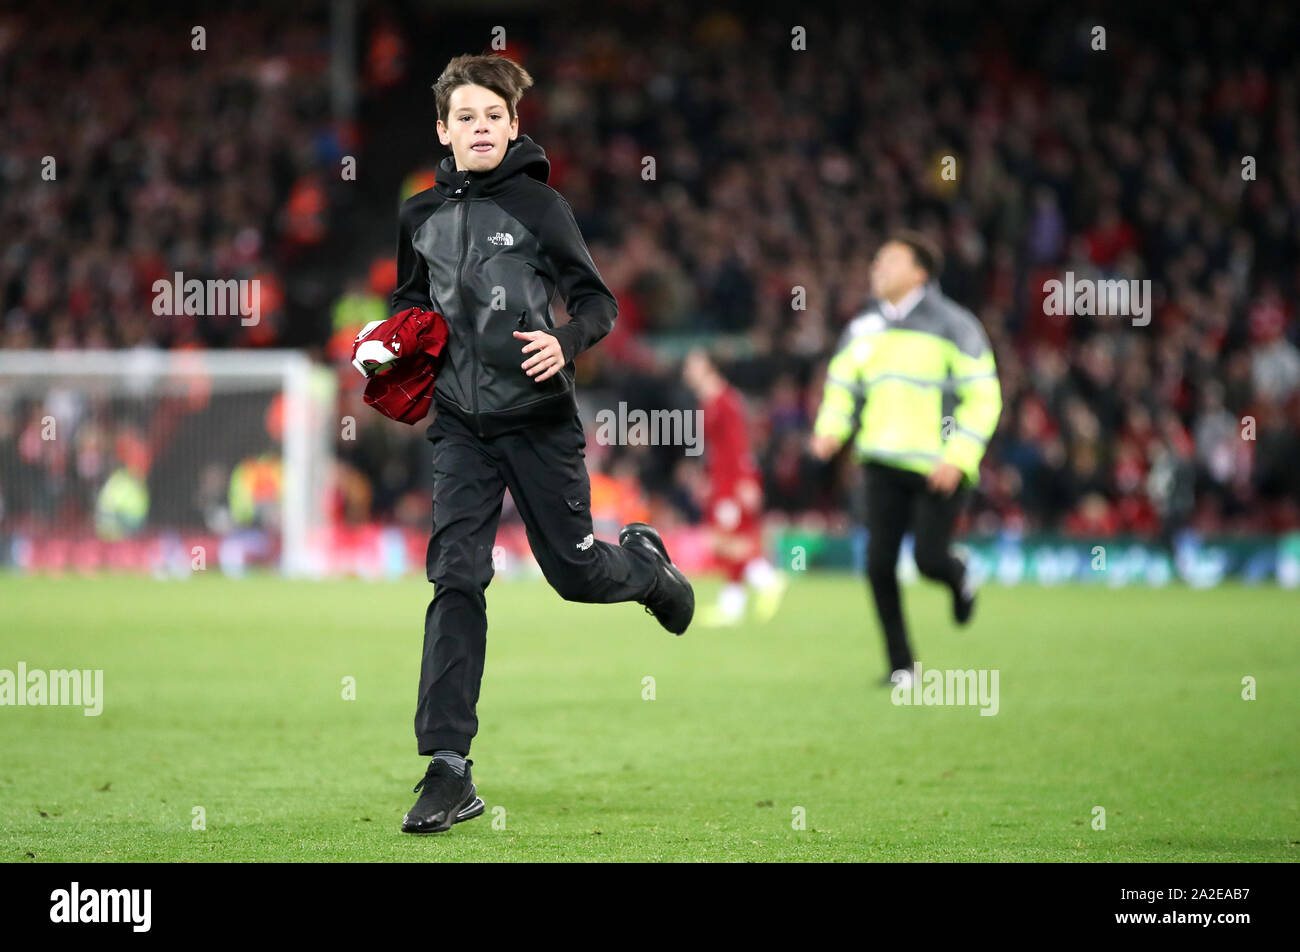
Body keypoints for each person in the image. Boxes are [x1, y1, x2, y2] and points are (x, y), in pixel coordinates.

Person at [390, 54, 694, 835]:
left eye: (493, 115)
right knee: (456, 576)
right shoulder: (416, 217)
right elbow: (409, 303)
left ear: (514, 126)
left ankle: (649, 571)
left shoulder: (541, 207)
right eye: (466, 117)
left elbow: (599, 300)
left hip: (536, 418)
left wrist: (564, 341)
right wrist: (389, 343)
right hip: (457, 423)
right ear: (443, 130)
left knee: (575, 573)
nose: (480, 127)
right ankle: (446, 769)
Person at [809, 232, 1001, 686]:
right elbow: (842, 384)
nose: (877, 268)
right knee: (878, 565)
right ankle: (902, 667)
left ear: (920, 272)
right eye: (876, 260)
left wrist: (959, 456)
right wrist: (829, 433)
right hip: (880, 459)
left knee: (930, 560)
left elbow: (984, 396)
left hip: (939, 466)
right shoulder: (864, 325)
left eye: (889, 261)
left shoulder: (955, 324)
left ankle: (958, 576)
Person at [682, 348, 787, 626]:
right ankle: (733, 606)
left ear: (710, 368)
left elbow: (740, 445)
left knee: (726, 541)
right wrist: (706, 478)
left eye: (693, 365)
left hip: (732, 483)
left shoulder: (726, 401)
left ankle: (767, 580)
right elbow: (715, 449)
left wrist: (746, 481)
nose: (687, 371)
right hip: (721, 481)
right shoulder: (709, 401)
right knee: (727, 541)